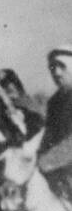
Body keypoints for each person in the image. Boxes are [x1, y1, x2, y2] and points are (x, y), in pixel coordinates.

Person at [38, 44, 72, 202]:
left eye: (62, 66)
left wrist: (45, 162)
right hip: (60, 177)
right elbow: (47, 138)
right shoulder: (54, 102)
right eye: (52, 68)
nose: (56, 72)